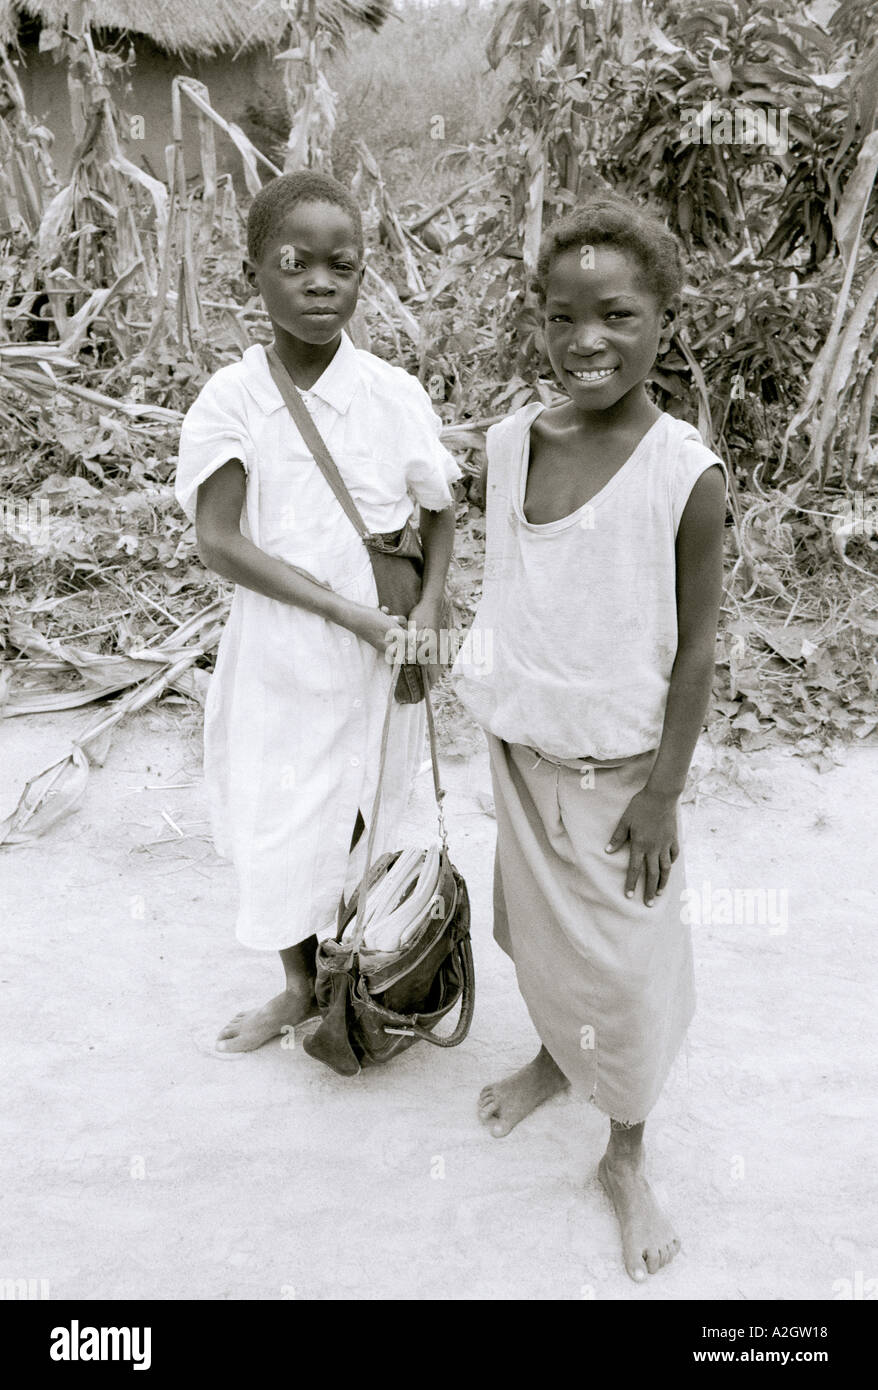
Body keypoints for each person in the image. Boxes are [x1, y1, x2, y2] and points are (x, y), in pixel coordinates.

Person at [452, 194, 727, 1282]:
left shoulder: (683, 474)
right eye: (561, 316)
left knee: (624, 970)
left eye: (614, 313)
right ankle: (551, 1061)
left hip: (621, 775)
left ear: (662, 314)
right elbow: (513, 585)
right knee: (540, 939)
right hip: (522, 750)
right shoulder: (511, 445)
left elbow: (697, 648)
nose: (585, 341)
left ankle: (624, 1155)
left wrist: (661, 791)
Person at [175, 171, 460, 1054]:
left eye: (344, 265)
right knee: (278, 812)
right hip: (285, 646)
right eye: (295, 263)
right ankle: (297, 986)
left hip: (388, 642)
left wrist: (437, 602)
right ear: (253, 270)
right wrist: (346, 613)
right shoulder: (233, 400)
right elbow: (221, 542)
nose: (320, 283)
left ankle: (358, 971)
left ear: (364, 276)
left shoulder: (391, 392)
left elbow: (442, 508)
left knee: (366, 806)